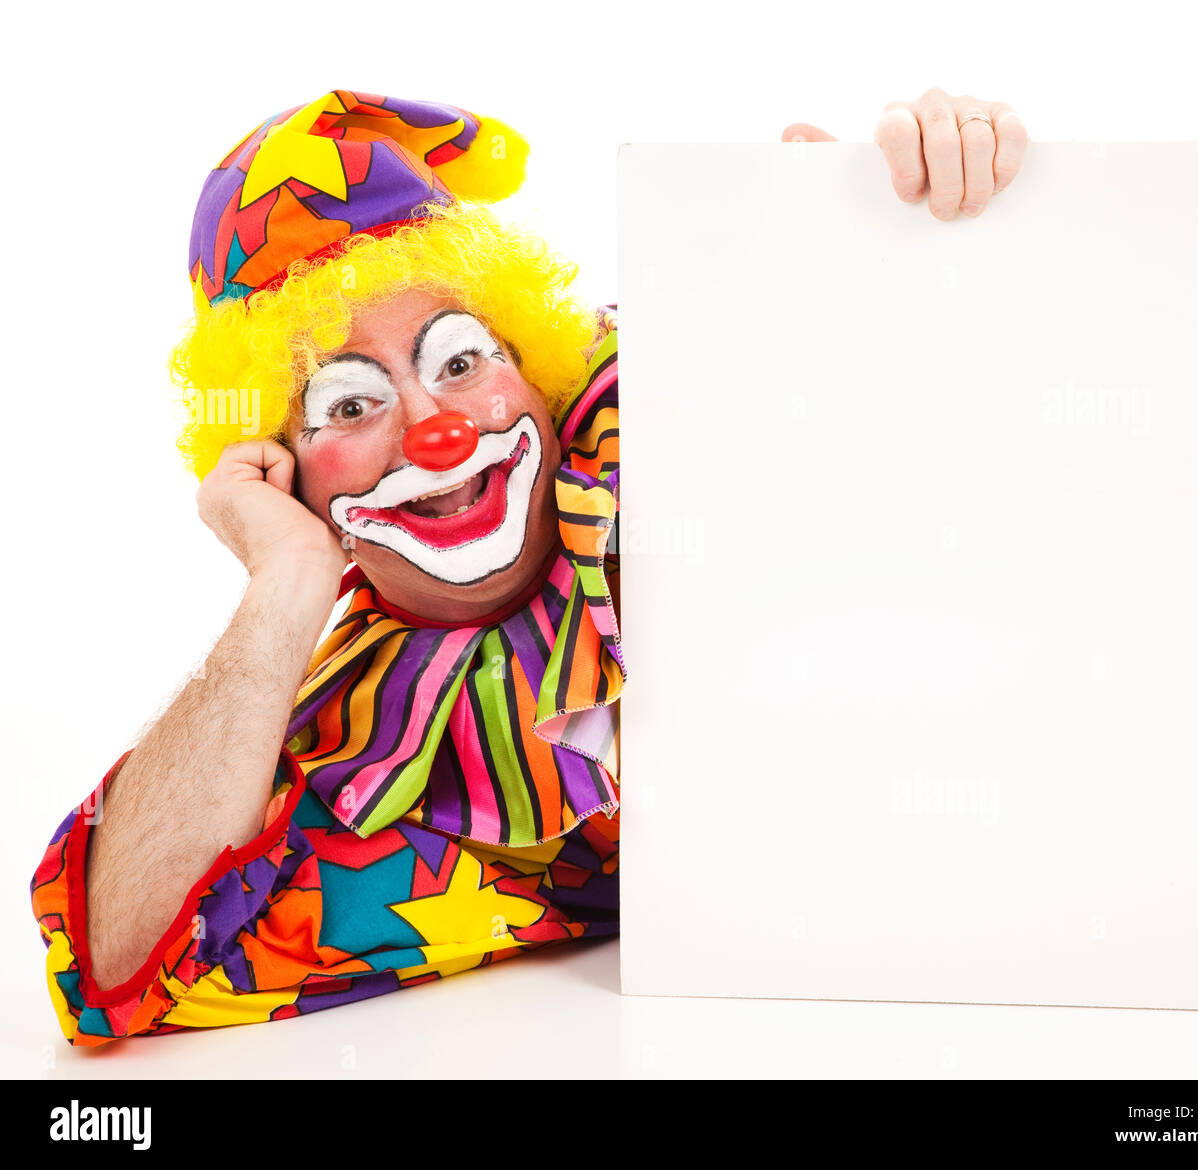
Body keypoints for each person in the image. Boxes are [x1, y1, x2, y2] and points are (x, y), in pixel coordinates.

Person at [30, 88, 1028, 1046]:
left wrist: (925, 226)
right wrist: (286, 578)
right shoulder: (378, 763)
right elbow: (118, 968)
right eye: (347, 404)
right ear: (291, 481)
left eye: (460, 360)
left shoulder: (696, 421)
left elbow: (984, 458)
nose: (436, 430)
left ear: (537, 369)